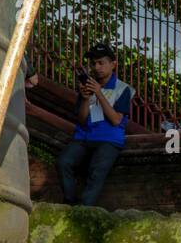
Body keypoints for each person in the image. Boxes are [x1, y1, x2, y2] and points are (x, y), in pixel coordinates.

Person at [56, 42, 135, 207]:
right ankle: (69, 204)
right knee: (64, 162)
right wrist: (85, 98)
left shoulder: (123, 89)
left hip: (109, 139)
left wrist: (98, 92)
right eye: (93, 63)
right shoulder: (87, 86)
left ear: (113, 64)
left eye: (101, 63)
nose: (96, 67)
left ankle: (84, 209)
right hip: (84, 136)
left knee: (96, 171)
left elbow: (116, 120)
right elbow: (82, 119)